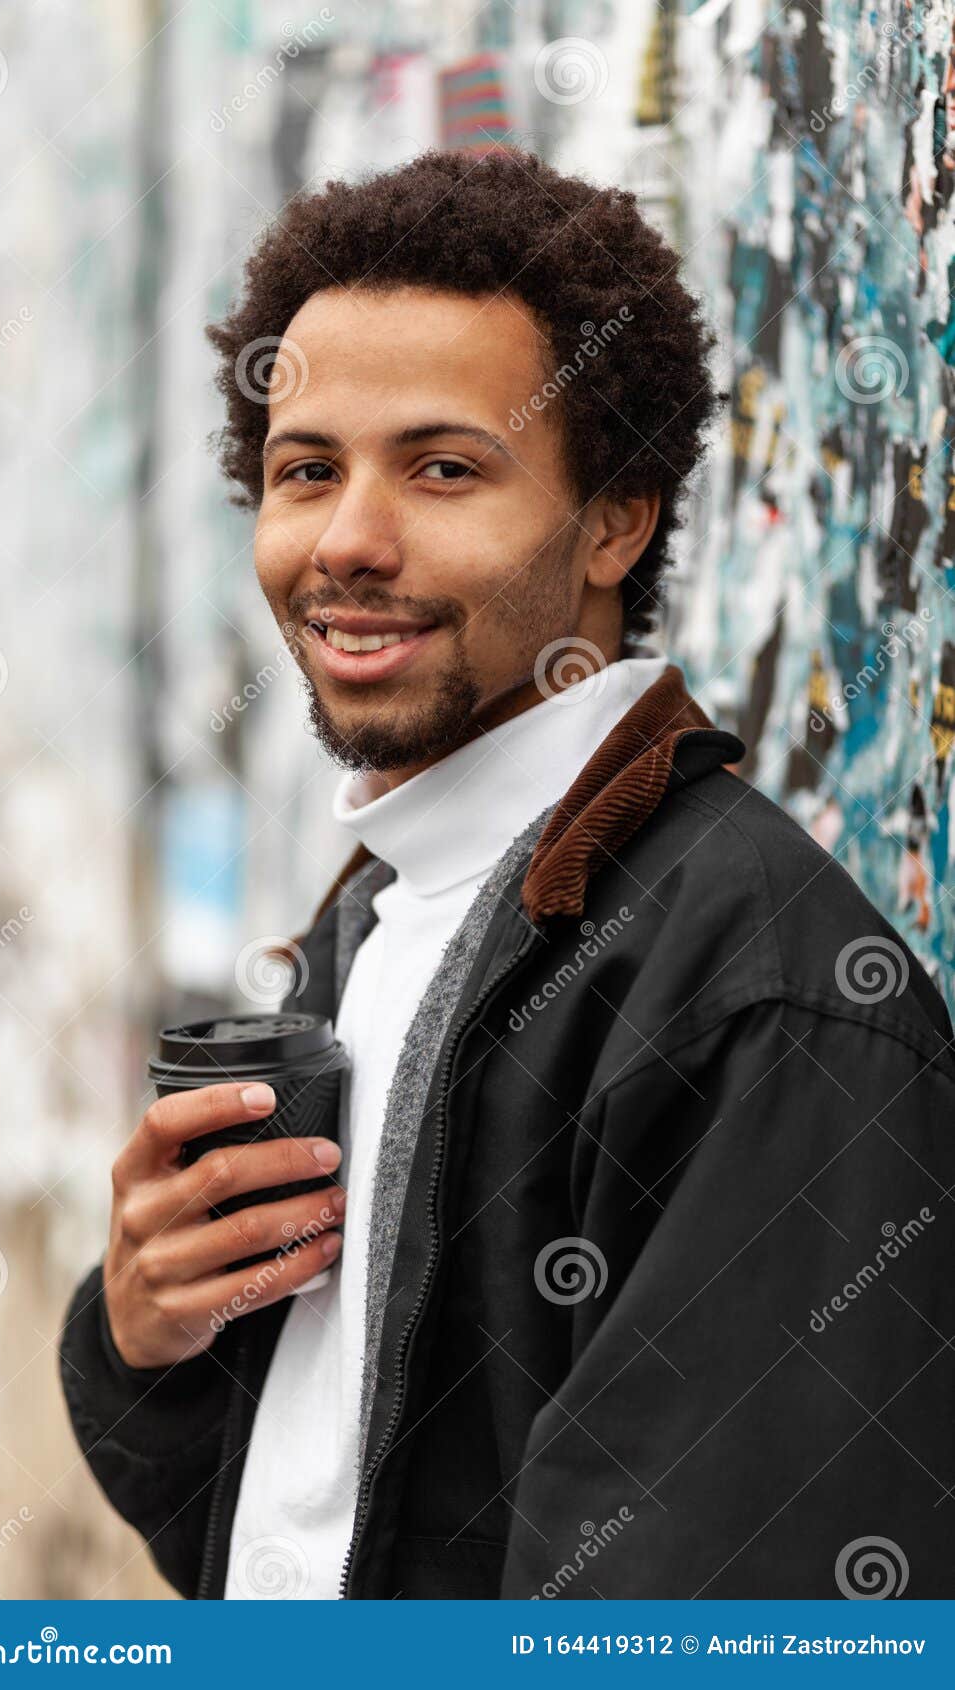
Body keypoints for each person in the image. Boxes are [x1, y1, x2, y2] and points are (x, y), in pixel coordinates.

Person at [58, 148, 955, 1601]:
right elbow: (326, 1530)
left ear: (616, 519)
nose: (347, 540)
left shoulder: (763, 1002)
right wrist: (146, 1336)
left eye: (444, 467)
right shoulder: (386, 907)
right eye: (307, 471)